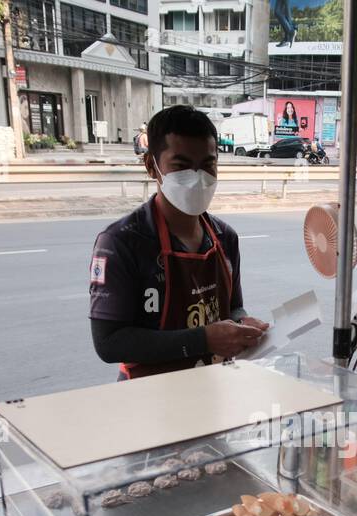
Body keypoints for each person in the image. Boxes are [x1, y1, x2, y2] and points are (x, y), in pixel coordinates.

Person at [90, 105, 266, 378]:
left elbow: (232, 306)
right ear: (152, 166)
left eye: (208, 166)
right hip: (148, 396)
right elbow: (108, 343)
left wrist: (242, 321)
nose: (198, 178)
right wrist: (203, 340)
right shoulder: (122, 242)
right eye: (182, 167)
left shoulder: (224, 238)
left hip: (215, 385)